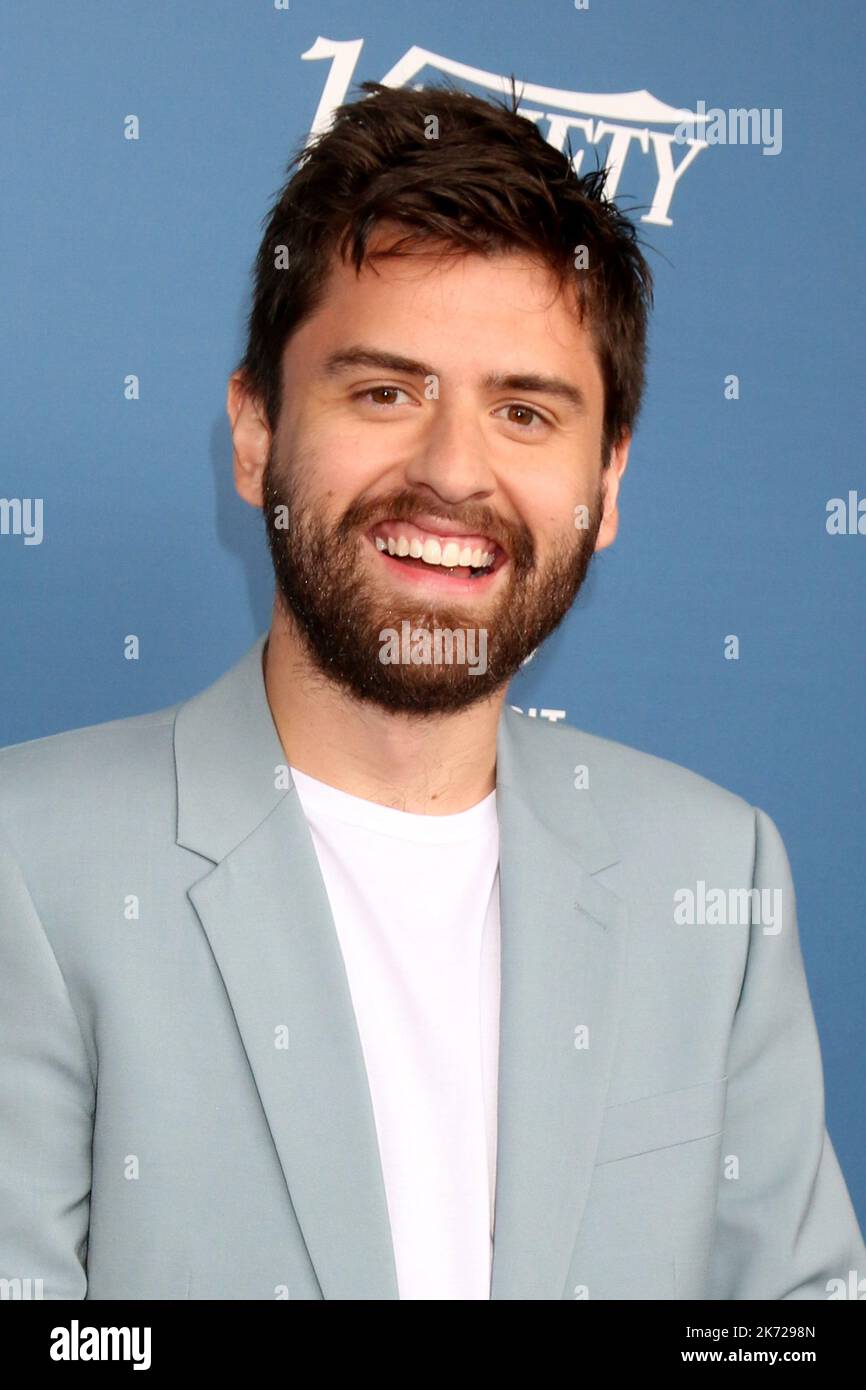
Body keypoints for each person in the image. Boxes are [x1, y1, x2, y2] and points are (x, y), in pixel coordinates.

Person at [1, 81, 863, 1302]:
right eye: (384, 391)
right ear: (254, 434)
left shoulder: (716, 873)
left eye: (523, 411)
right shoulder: (26, 865)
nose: (452, 472)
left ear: (605, 482)